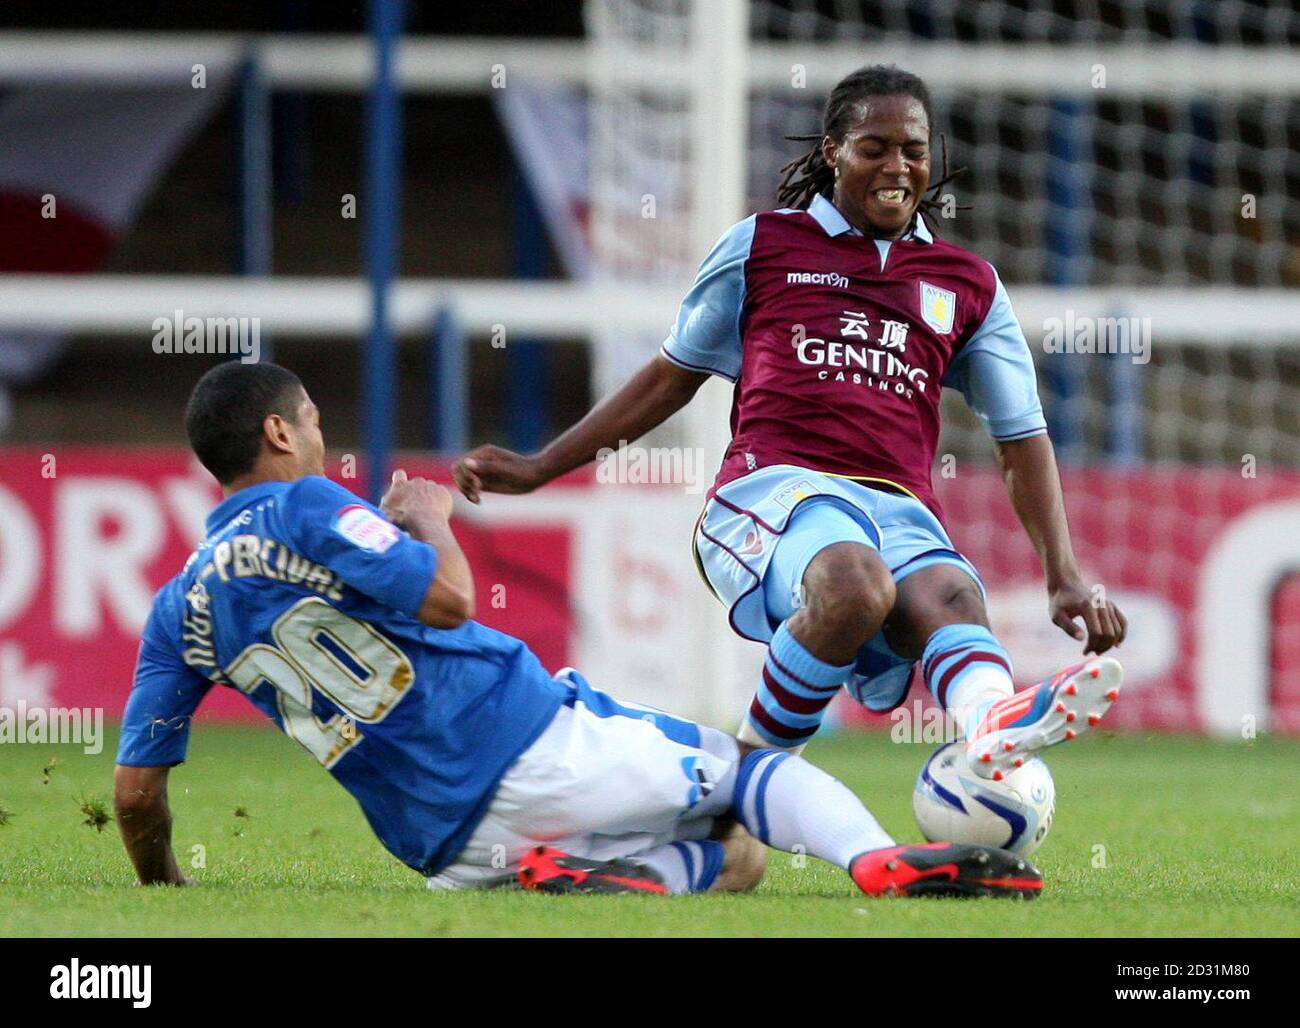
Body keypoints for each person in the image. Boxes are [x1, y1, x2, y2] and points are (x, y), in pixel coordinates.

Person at [113, 361, 1041, 898]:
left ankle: (584, 877)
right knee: (757, 773)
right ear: (278, 434)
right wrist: (430, 516)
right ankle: (880, 862)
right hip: (531, 740)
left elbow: (136, 798)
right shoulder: (309, 506)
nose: (320, 438)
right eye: (312, 421)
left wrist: (166, 891)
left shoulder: (178, 607)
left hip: (444, 849)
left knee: (741, 860)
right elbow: (448, 602)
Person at [454, 64, 1125, 776]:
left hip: (897, 509)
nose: (898, 166)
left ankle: (988, 725)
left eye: (915, 149)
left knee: (953, 594)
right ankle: (755, 778)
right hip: (772, 493)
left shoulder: (967, 284)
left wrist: (1064, 576)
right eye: (875, 147)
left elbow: (1021, 438)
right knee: (856, 584)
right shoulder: (763, 247)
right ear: (833, 151)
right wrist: (539, 467)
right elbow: (666, 381)